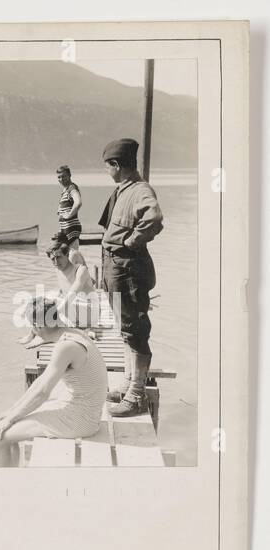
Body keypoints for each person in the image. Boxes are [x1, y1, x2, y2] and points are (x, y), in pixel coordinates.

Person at [0, 296, 108, 466]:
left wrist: (11, 418)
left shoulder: (66, 346)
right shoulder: (73, 333)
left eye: (32, 326)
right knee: (6, 425)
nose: (32, 331)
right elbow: (39, 383)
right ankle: (12, 477)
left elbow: (43, 393)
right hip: (86, 411)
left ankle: (0, 482)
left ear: (39, 326)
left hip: (81, 420)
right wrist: (12, 412)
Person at [98, 137, 163, 416]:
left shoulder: (139, 190)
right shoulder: (124, 190)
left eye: (107, 166)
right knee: (126, 328)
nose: (106, 171)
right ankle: (128, 382)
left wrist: (132, 241)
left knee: (135, 330)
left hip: (128, 268)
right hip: (116, 266)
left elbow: (154, 218)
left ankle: (136, 395)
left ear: (116, 164)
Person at [55, 165, 83, 248]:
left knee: (67, 253)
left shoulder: (72, 188)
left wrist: (69, 215)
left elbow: (78, 202)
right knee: (55, 252)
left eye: (63, 176)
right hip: (66, 229)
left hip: (71, 229)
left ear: (69, 175)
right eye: (59, 177)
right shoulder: (65, 190)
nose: (61, 179)